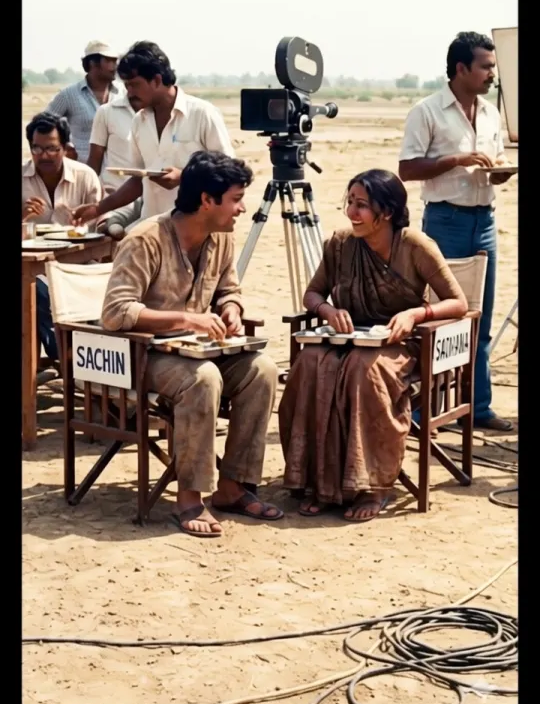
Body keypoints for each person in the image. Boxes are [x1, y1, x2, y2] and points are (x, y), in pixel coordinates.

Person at [101, 151, 281, 539]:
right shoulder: (145, 240)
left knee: (262, 370)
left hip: (199, 351)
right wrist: (186, 319)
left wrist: (231, 309)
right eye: (235, 199)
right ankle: (189, 497)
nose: (241, 209)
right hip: (144, 355)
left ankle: (233, 486)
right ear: (206, 200)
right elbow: (116, 312)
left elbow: (229, 289)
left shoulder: (221, 239)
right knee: (203, 380)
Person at [278, 169, 467, 522]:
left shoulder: (414, 245)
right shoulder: (339, 243)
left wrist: (416, 313)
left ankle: (375, 485)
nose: (352, 212)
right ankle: (320, 483)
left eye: (362, 205)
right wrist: (327, 309)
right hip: (350, 338)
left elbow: (458, 303)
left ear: (388, 211)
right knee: (308, 363)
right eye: (349, 202)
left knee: (365, 371)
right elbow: (312, 293)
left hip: (403, 344)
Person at [398, 31, 514, 432]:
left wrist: (497, 173)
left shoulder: (490, 113)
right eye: (485, 67)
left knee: (478, 317)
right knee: (440, 320)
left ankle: (477, 407)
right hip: (444, 220)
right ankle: (424, 410)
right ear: (461, 68)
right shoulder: (427, 111)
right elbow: (407, 169)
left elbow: (491, 165)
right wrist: (457, 159)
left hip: (484, 220)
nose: (491, 75)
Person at [72, 40, 234, 230]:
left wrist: (184, 177)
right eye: (126, 86)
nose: (129, 93)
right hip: (153, 228)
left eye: (134, 85)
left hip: (198, 229)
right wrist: (98, 208)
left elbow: (228, 172)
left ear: (157, 80)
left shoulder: (202, 114)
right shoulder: (140, 122)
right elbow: (138, 180)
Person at [22, 112, 103, 366]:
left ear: (66, 148)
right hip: (33, 270)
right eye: (37, 148)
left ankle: (72, 354)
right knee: (37, 288)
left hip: (78, 266)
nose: (43, 155)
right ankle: (63, 352)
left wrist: (84, 225)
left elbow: (99, 227)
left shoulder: (85, 176)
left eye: (51, 149)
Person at [46, 41, 122, 161]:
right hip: (81, 170)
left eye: (115, 61)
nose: (114, 66)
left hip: (116, 174)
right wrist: (63, 147)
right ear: (93, 63)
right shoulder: (69, 95)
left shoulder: (123, 94)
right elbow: (44, 123)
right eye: (109, 61)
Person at [87, 89, 143, 239]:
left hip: (150, 200)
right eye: (128, 82)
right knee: (113, 232)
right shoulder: (107, 112)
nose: (132, 87)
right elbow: (94, 161)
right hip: (115, 200)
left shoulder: (159, 114)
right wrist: (93, 204)